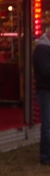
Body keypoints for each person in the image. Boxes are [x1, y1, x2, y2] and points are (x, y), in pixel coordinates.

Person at [33, 23, 50, 165]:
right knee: (47, 124)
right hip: (46, 90)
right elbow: (45, 72)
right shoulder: (42, 49)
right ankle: (46, 156)